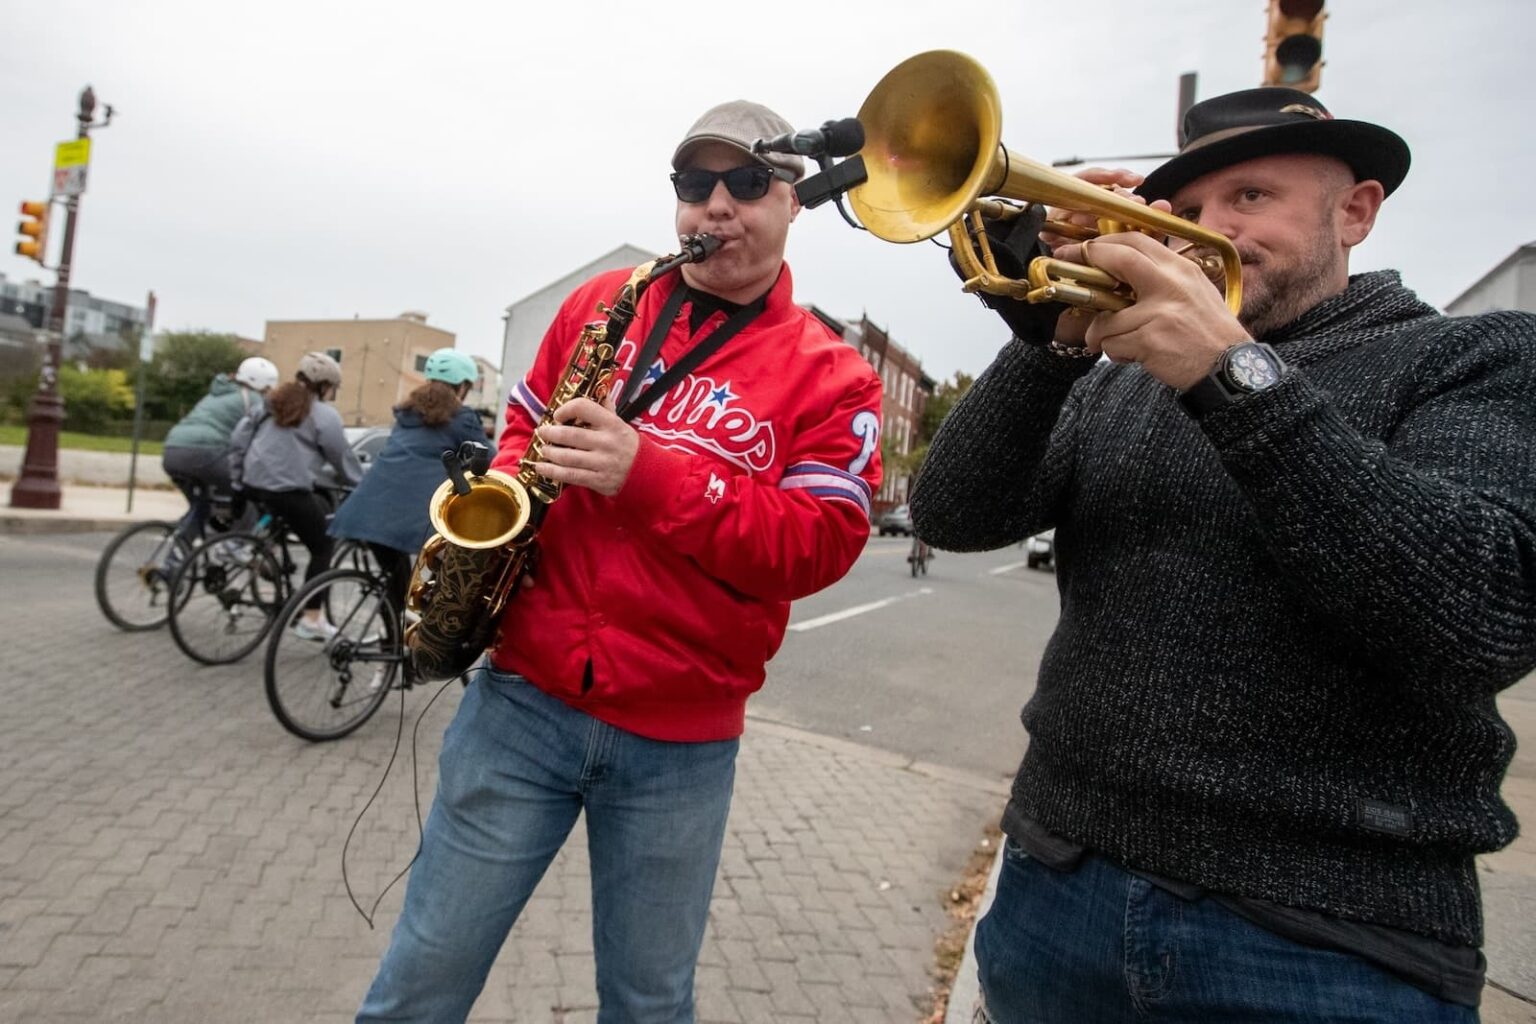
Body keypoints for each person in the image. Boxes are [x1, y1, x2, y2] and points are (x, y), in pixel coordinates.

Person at [911, 88, 1536, 1022]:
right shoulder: (1120, 376)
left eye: (1251, 196)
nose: (1214, 230)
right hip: (1062, 885)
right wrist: (1046, 347)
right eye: (1194, 210)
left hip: (1329, 942)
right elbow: (951, 512)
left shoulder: (1476, 353)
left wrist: (1229, 372)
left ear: (1355, 210)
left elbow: (1481, 613)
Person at [357, 99, 884, 1022]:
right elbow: (525, 426)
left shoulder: (835, 374)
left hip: (680, 747)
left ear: (793, 198)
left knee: (647, 1003)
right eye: (694, 184)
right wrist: (509, 496)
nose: (714, 207)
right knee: (421, 981)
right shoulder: (601, 306)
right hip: (521, 704)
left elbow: (821, 545)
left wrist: (649, 476)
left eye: (746, 182)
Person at [327, 347, 487, 613]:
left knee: (396, 586)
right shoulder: (463, 418)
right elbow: (488, 460)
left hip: (366, 509)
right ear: (463, 387)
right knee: (456, 574)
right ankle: (417, 636)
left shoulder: (406, 414)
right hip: (412, 520)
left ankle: (391, 643)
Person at [228, 350, 362, 639]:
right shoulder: (324, 415)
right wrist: (360, 486)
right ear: (325, 386)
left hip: (253, 484)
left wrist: (238, 482)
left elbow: (239, 441)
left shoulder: (269, 403)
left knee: (298, 511)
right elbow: (341, 458)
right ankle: (311, 617)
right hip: (286, 491)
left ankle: (263, 554)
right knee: (323, 545)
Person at [160, 356, 279, 554]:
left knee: (200, 509)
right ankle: (236, 547)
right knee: (247, 496)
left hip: (172, 449)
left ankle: (172, 566)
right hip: (205, 452)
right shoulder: (254, 399)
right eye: (269, 388)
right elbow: (259, 441)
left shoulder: (215, 395)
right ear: (263, 384)